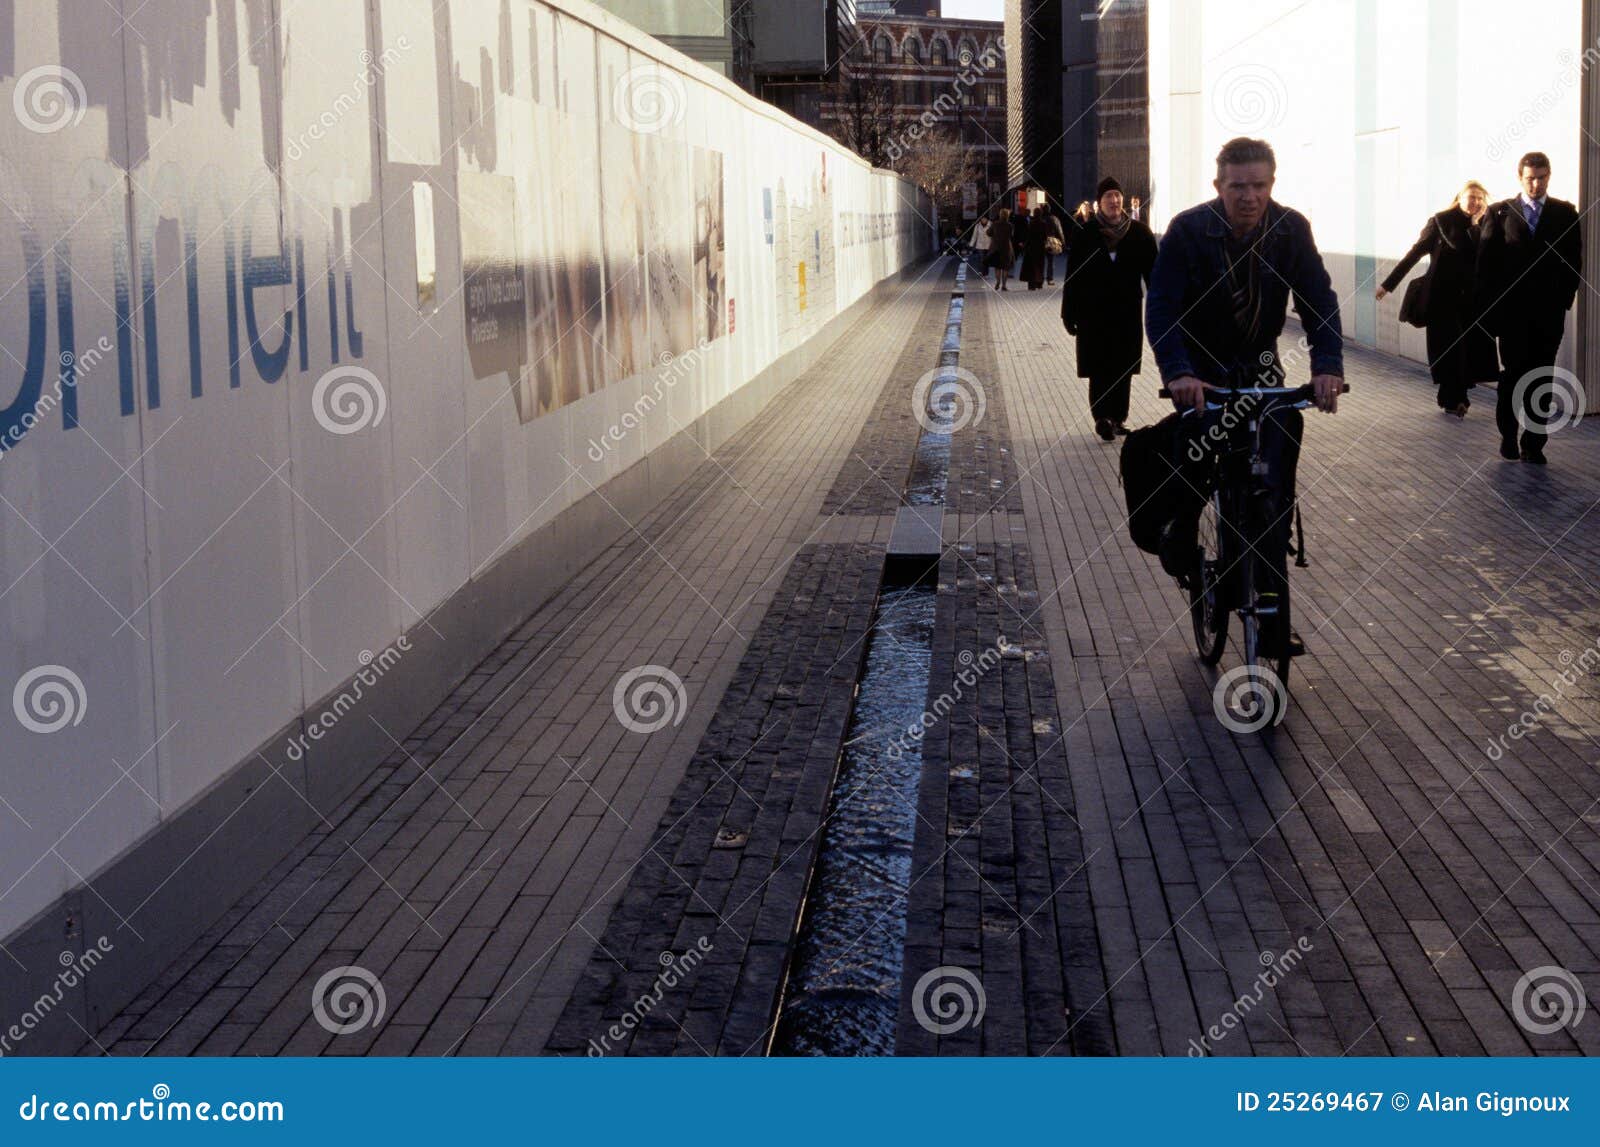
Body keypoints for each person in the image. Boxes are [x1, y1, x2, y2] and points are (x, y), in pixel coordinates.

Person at [1145, 137, 1344, 657]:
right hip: (1202, 374)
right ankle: (1183, 536)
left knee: (1274, 480)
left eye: (1259, 185)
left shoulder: (1290, 229)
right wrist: (1179, 373)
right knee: (1194, 454)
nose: (1249, 196)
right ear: (1219, 187)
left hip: (1259, 368)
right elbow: (1162, 308)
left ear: (1271, 184)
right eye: (1238, 187)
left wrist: (1327, 368)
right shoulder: (1188, 231)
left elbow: (1319, 301)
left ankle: (1274, 609)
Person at [1476, 151, 1583, 465]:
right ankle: (1508, 435)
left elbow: (1573, 262)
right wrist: (1488, 314)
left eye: (1541, 177)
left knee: (1542, 378)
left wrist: (1563, 301)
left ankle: (1534, 443)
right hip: (1511, 316)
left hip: (1548, 315)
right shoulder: (1498, 214)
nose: (1536, 184)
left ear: (1549, 176)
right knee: (1512, 376)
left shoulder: (1565, 213)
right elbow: (1485, 267)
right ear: (1520, 178)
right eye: (1530, 178)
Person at [1375, 181, 1497, 417]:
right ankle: (1455, 399)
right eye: (1471, 197)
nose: (1476, 202)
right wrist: (1388, 285)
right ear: (1459, 197)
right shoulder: (1441, 221)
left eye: (1480, 198)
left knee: (1468, 349)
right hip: (1441, 299)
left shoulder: (1486, 223)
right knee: (1449, 349)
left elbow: (1489, 258)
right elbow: (1414, 253)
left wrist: (1477, 225)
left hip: (1471, 300)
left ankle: (1455, 398)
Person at [1062, 177, 1158, 440]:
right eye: (1109, 197)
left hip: (1127, 314)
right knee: (1099, 367)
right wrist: (1068, 313)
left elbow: (1155, 276)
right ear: (1099, 203)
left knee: (1123, 367)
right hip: (1094, 314)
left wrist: (1163, 308)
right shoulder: (1086, 234)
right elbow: (1073, 276)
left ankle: (1117, 418)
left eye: (1117, 196)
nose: (1114, 201)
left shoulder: (1140, 234)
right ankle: (1102, 416)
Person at [1021, 205, 1050, 290]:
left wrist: (1025, 245)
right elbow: (1045, 236)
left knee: (1032, 266)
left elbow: (1028, 236)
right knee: (1040, 265)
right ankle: (1039, 283)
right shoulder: (1043, 223)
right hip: (1040, 247)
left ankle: (1032, 285)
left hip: (1032, 247)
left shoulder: (1031, 223)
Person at [988, 208, 1015, 290]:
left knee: (997, 266)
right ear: (1007, 216)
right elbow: (1011, 235)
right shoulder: (1010, 225)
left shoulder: (995, 224)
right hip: (1006, 248)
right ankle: (1004, 285)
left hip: (996, 247)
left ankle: (998, 282)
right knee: (1005, 267)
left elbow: (988, 233)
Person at [1043, 209, 1065, 284]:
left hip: (1040, 241)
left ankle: (1039, 279)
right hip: (1051, 241)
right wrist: (1063, 241)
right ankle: (1049, 279)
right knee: (1050, 261)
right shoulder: (1054, 218)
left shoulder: (1040, 218)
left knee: (1040, 261)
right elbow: (1059, 230)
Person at [972, 215, 993, 280]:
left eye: (984, 219)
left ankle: (986, 273)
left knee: (986, 260)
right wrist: (971, 244)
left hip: (988, 245)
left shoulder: (991, 225)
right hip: (980, 245)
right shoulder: (977, 226)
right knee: (981, 259)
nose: (983, 220)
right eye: (982, 219)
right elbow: (974, 235)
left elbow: (993, 235)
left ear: (987, 219)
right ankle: (982, 272)